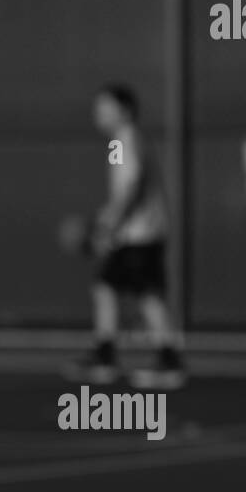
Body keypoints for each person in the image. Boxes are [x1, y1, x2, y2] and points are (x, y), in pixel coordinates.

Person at [64, 83, 186, 390]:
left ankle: (137, 358)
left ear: (125, 110)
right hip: (140, 231)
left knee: (121, 288)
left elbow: (131, 188)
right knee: (132, 291)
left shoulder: (127, 139)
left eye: (105, 107)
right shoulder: (125, 140)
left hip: (139, 234)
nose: (99, 113)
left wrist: (107, 225)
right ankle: (152, 357)